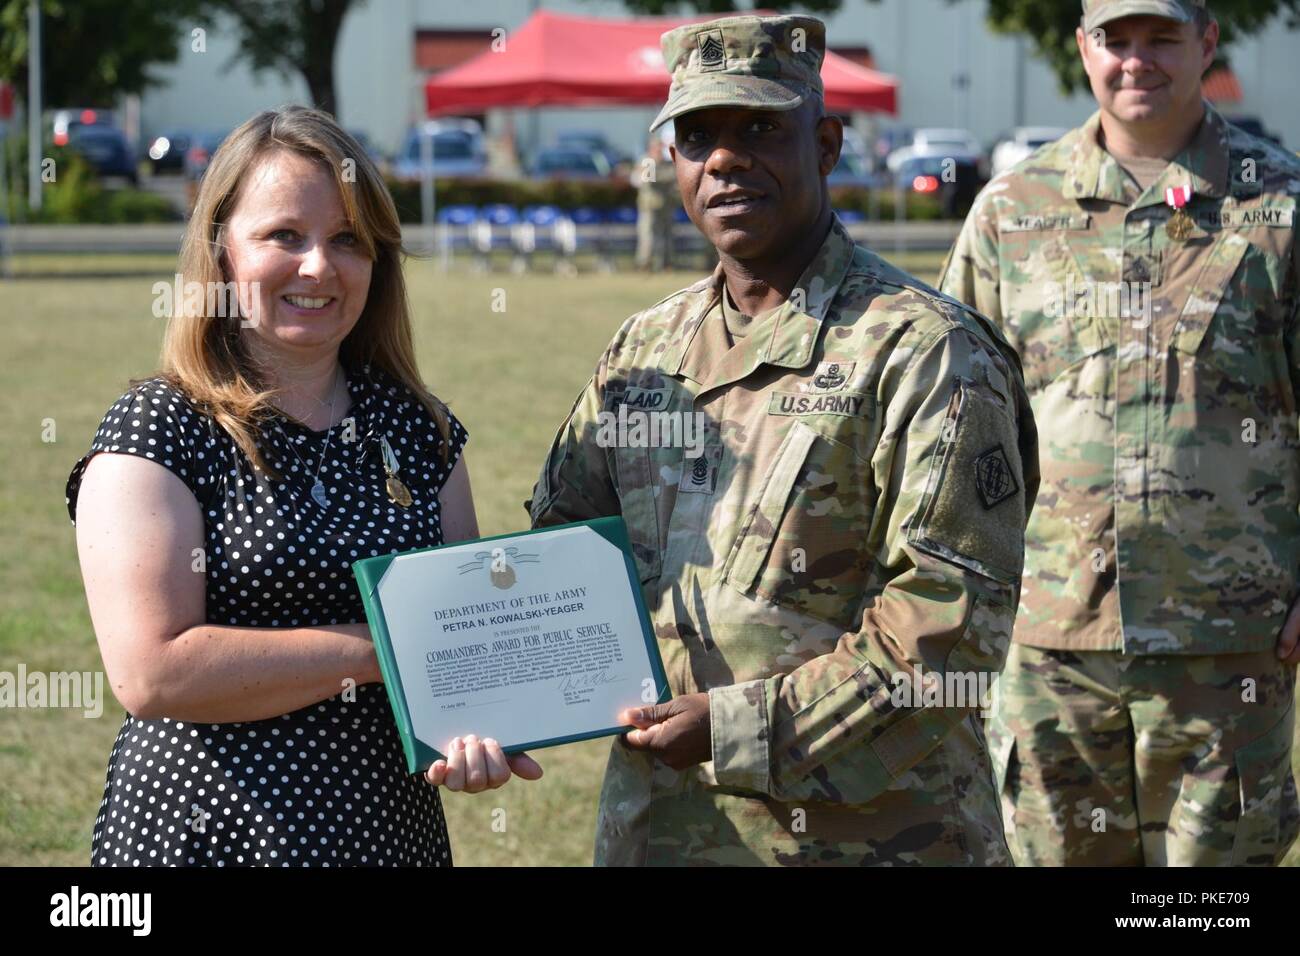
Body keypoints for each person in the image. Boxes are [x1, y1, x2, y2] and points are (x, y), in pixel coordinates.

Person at [527, 14, 1039, 866]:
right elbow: (564, 556)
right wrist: (494, 694)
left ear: (828, 144)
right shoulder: (641, 352)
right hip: (662, 832)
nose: (724, 158)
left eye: (760, 127)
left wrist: (734, 729)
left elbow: (953, 631)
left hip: (877, 841)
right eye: (696, 137)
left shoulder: (926, 351)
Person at [67, 105, 539, 868]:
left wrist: (475, 733)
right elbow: (153, 672)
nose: (318, 266)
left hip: (388, 836)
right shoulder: (158, 426)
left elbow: (462, 644)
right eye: (284, 235)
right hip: (209, 837)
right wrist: (381, 650)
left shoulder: (421, 431)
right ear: (222, 249)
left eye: (347, 239)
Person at [939, 0, 1300, 866]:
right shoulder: (1011, 212)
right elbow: (952, 425)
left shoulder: (1280, 207)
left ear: (1207, 42)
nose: (1136, 61)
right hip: (1050, 641)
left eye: (1162, 38)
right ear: (1083, 50)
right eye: (1116, 40)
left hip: (1228, 642)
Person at [634, 127, 680, 272]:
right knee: (647, 236)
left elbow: (675, 178)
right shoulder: (647, 161)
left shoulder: (666, 163)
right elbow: (650, 180)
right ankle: (645, 263)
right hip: (649, 205)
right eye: (657, 147)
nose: (660, 150)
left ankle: (665, 263)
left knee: (666, 236)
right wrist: (668, 177)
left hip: (666, 205)